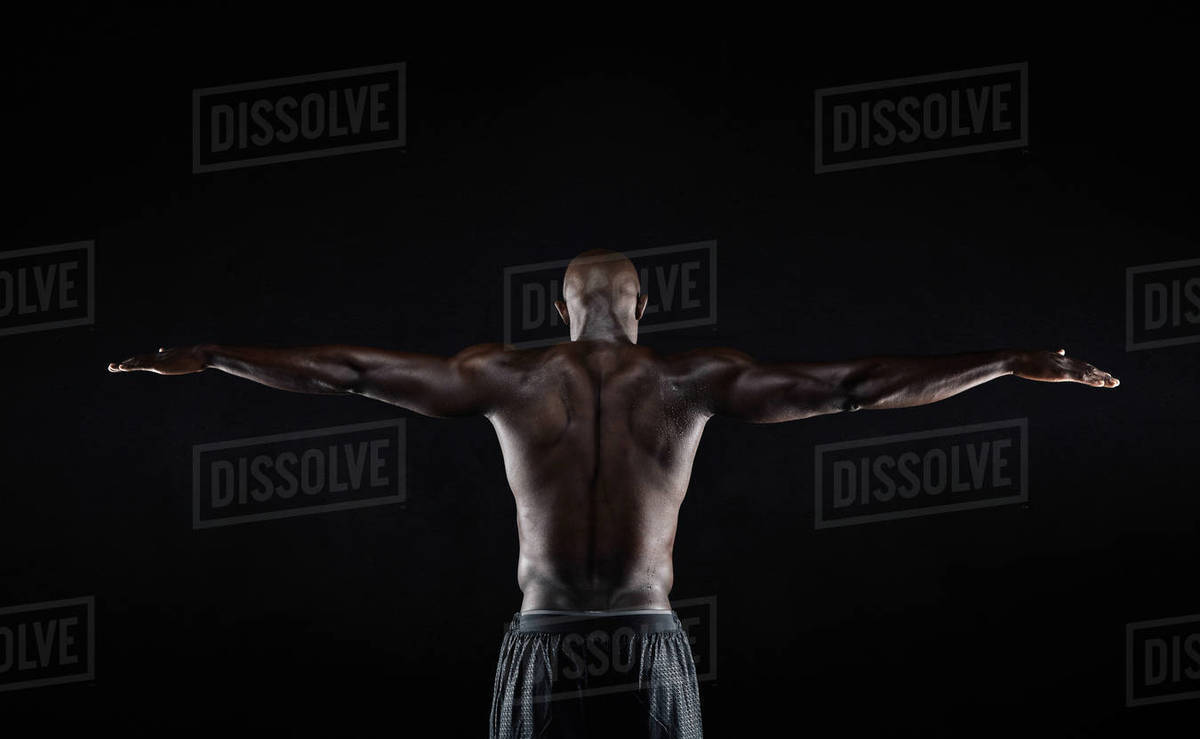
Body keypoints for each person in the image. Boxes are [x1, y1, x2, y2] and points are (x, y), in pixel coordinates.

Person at [109, 249, 1119, 738]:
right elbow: (850, 390)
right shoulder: (692, 379)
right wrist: (998, 360)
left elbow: (347, 372)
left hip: (546, 631)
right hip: (645, 633)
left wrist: (211, 356)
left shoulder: (501, 374)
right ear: (644, 306)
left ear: (559, 306)